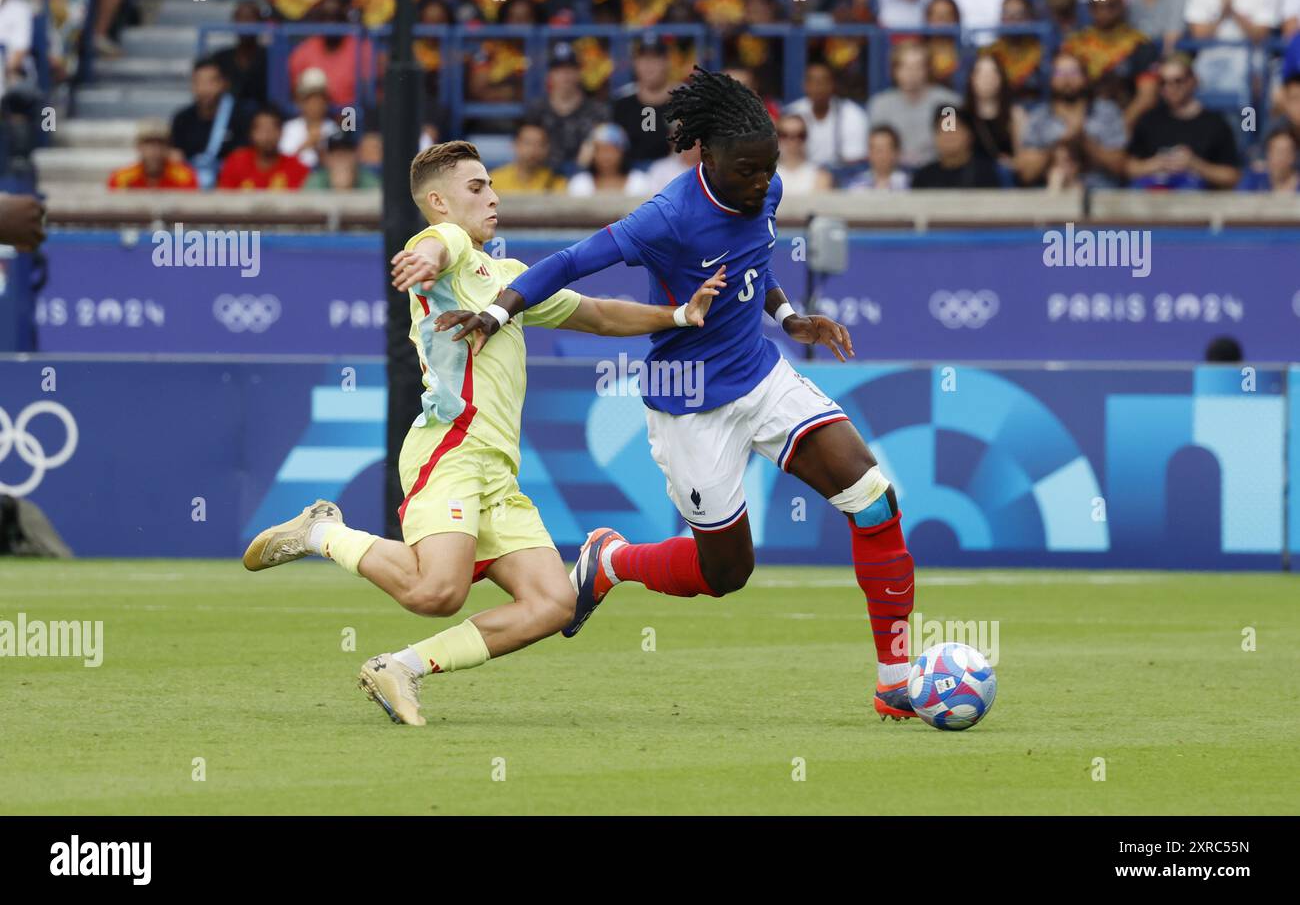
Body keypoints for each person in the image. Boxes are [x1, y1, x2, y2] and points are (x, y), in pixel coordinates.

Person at [447, 68, 923, 722]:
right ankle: (611, 561)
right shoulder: (667, 217)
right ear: (706, 155)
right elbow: (567, 263)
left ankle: (895, 686)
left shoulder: (766, 190)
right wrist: (500, 312)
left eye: (769, 169)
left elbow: (757, 262)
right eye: (747, 171)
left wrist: (789, 320)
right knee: (726, 574)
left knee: (873, 500)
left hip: (762, 377)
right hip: (690, 405)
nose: (761, 184)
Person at [242, 140, 725, 726]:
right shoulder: (441, 257)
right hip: (450, 449)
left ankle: (400, 667)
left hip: (497, 469)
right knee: (436, 594)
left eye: (492, 184)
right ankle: (323, 532)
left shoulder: (511, 278)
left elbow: (594, 314)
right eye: (476, 188)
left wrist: (677, 315)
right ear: (439, 202)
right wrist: (426, 249)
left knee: (553, 603)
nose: (492, 196)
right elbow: (438, 243)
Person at [1125, 55, 1241, 189]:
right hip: (1153, 196)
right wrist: (1155, 164)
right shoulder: (1149, 120)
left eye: (1177, 81)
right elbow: (1127, 167)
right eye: (1163, 82)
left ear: (1193, 81)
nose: (1170, 87)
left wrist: (1195, 165)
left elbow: (1233, 176)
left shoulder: (1216, 124)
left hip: (1197, 202)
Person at [1014, 51, 1128, 186]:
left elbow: (1121, 167)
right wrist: (1057, 148)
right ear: (1051, 80)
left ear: (1086, 78)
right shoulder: (1039, 117)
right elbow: (1026, 174)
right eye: (1060, 73)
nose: (1067, 79)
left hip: (1101, 194)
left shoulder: (1107, 112)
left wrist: (1084, 141)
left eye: (1074, 72)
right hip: (1051, 195)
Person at [1062, 0, 1162, 128]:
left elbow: (1147, 96)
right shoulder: (1076, 46)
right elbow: (1062, 91)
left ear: (1122, 6)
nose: (1104, 12)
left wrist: (1120, 126)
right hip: (1082, 119)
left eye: (1111, 5)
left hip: (1126, 119)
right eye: (1098, 6)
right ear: (1090, 9)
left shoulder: (1139, 44)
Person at [867, 40, 960, 169]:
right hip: (894, 173)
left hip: (938, 173)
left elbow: (951, 145)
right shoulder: (880, 104)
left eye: (918, 67)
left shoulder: (948, 104)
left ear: (927, 69)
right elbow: (878, 148)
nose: (911, 73)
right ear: (894, 71)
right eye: (905, 67)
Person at [525, 41, 611, 173]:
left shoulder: (598, 111)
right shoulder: (536, 110)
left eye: (570, 69)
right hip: (543, 179)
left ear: (579, 72)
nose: (565, 75)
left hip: (585, 180)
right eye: (558, 70)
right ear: (550, 74)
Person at [170, 57, 255, 188]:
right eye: (199, 82)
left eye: (211, 82)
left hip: (230, 187)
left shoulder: (241, 116)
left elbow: (245, 158)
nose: (205, 89)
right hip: (190, 188)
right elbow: (176, 157)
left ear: (224, 84)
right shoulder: (181, 119)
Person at [783, 59, 869, 167]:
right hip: (800, 175)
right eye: (812, 82)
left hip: (841, 179)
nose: (818, 88)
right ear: (805, 85)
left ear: (833, 85)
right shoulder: (792, 113)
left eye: (823, 82)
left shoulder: (853, 115)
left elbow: (855, 164)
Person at [612, 33, 674, 166]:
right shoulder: (622, 102)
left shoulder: (684, 100)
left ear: (666, 62)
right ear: (635, 63)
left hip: (672, 176)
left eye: (655, 58)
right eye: (643, 59)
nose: (649, 65)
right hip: (632, 178)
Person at [217, 107, 312, 189]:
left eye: (272, 129)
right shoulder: (235, 162)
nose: (267, 136)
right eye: (261, 130)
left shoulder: (296, 167)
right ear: (251, 134)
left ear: (281, 132)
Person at [911, 107, 1002, 187]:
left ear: (969, 135)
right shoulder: (923, 176)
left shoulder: (985, 173)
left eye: (954, 129)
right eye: (942, 130)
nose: (948, 135)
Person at [107, 120, 199, 189]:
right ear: (139, 147)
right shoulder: (121, 179)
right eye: (149, 143)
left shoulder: (185, 177)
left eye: (160, 143)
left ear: (168, 147)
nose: (155, 150)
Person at [567, 123, 652, 196]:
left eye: (611, 151)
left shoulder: (639, 181)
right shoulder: (580, 183)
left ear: (623, 153)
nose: (606, 156)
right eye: (600, 150)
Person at [279, 67, 338, 168]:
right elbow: (281, 165)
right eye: (310, 100)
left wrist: (320, 150)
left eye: (320, 99)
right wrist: (306, 144)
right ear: (301, 103)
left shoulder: (333, 129)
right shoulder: (289, 128)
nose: (315, 105)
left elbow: (337, 167)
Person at [489, 121, 569, 193]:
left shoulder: (557, 183)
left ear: (547, 149)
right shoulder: (493, 181)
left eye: (540, 144)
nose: (533, 150)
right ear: (515, 145)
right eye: (528, 143)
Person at [774, 114, 834, 192]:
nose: (792, 141)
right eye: (784, 135)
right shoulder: (768, 178)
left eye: (800, 135)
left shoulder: (821, 177)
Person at [303, 131, 381, 189]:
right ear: (326, 158)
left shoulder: (369, 181)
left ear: (356, 156)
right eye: (335, 152)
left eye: (346, 151)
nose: (341, 156)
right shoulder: (315, 181)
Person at [849, 125, 911, 189]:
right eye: (873, 149)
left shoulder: (908, 184)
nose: (878, 155)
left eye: (882, 150)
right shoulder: (856, 185)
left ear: (895, 152)